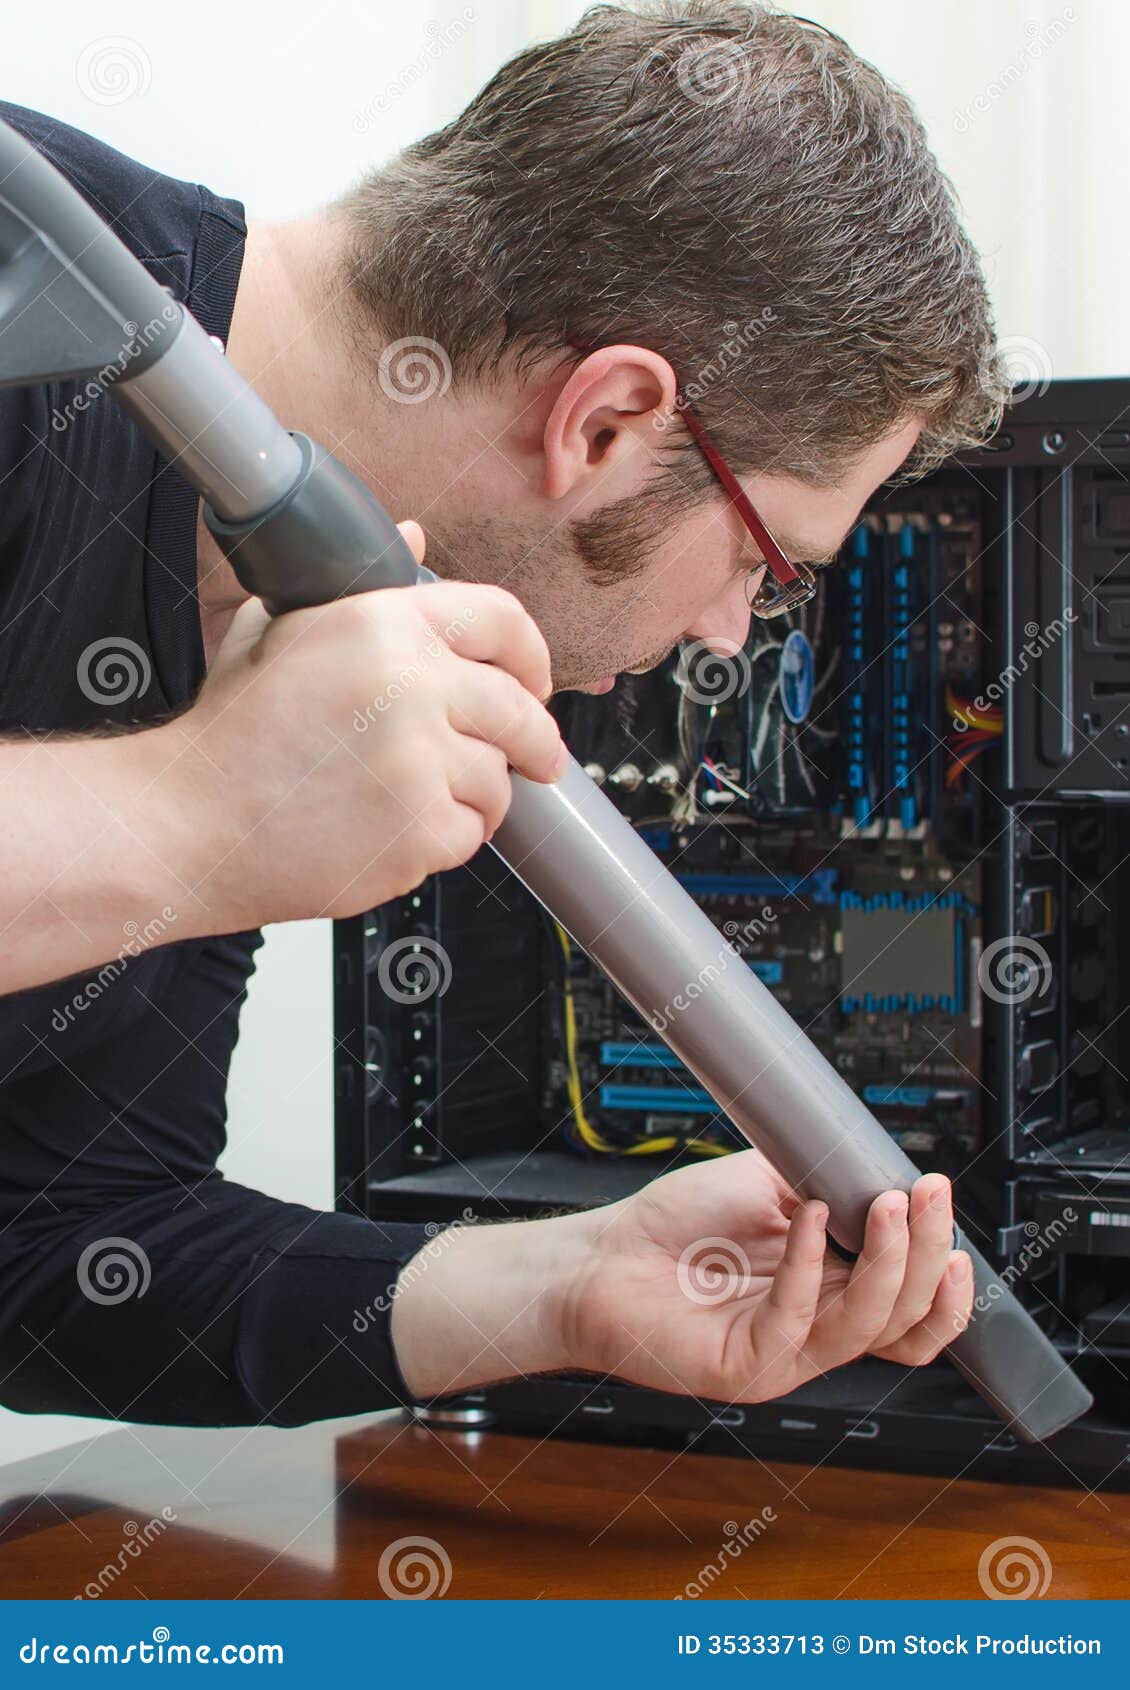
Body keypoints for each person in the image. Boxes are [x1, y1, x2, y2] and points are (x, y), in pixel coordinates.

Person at [0, 1, 1006, 1429]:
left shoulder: (275, 631)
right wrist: (191, 819)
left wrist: (565, 1287)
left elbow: (60, 1248)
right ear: (606, 424)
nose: (730, 634)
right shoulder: (24, 262)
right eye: (767, 565)